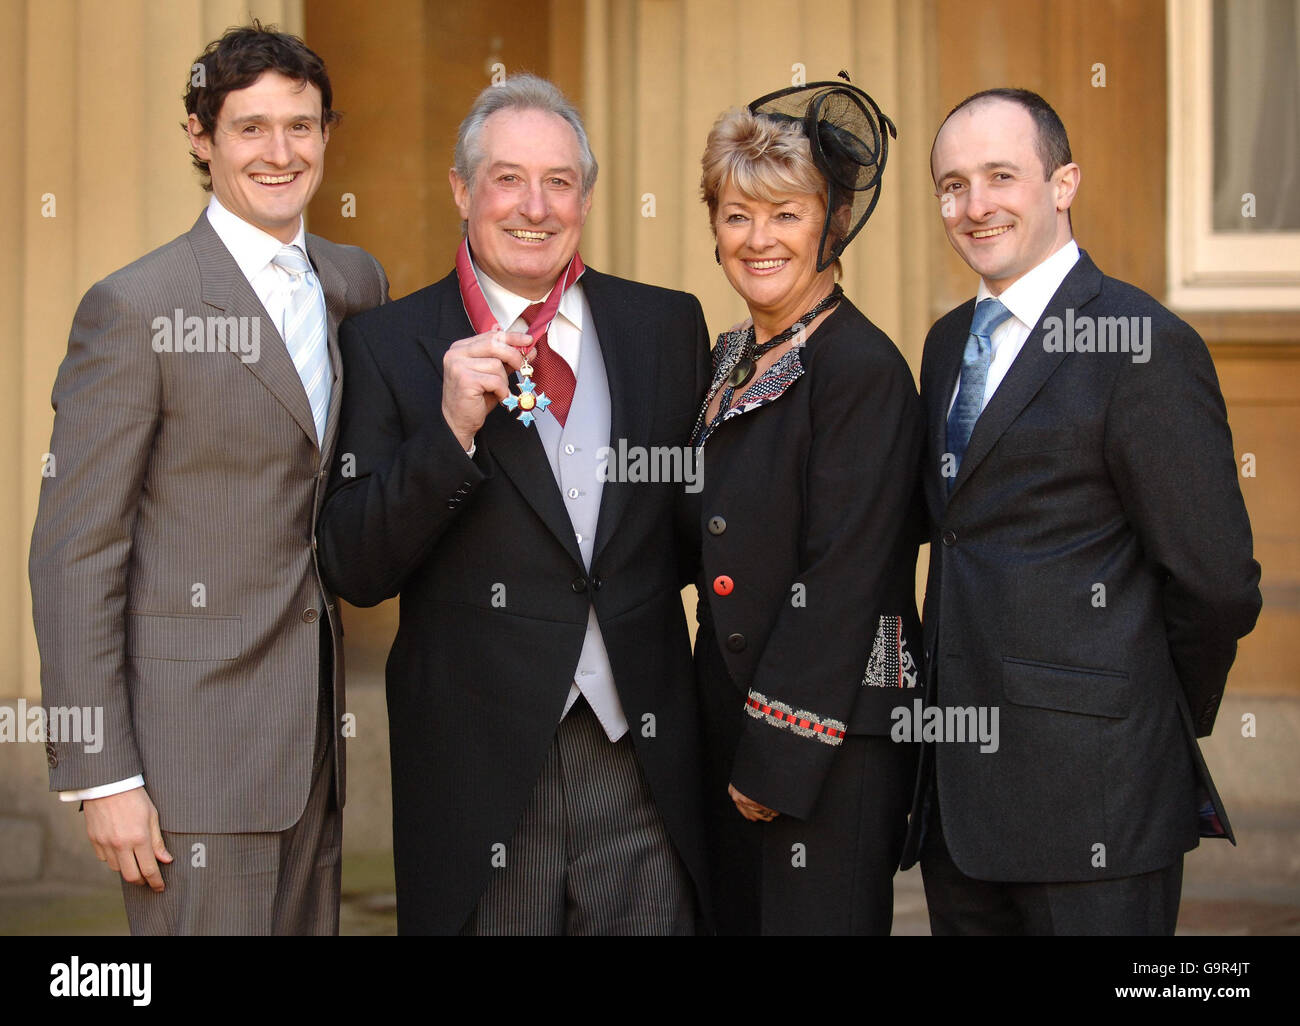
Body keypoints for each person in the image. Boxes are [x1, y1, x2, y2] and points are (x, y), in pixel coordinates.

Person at [316, 73, 712, 935]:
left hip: (639, 757)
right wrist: (449, 431)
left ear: (586, 197)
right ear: (462, 191)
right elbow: (354, 565)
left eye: (559, 181)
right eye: (506, 178)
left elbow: (691, 533)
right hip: (478, 773)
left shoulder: (666, 328)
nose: (534, 206)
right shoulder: (388, 344)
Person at [28, 23, 388, 935]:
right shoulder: (136, 307)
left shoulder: (355, 281)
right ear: (202, 136)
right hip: (190, 755)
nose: (281, 153)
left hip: (313, 745)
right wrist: (103, 773)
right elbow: (75, 552)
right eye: (251, 128)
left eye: (301, 127)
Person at [900, 88, 1261, 935]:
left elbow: (1214, 584)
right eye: (953, 185)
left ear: (1064, 184)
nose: (975, 205)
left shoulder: (1142, 343)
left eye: (1000, 176)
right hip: (959, 805)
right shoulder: (947, 343)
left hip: (1096, 798)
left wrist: (1140, 711)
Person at [691, 81, 925, 934]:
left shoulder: (861, 367)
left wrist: (778, 753)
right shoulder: (726, 360)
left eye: (786, 215)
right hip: (728, 722)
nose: (759, 240)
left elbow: (846, 576)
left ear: (832, 225)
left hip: (828, 739)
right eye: (736, 215)